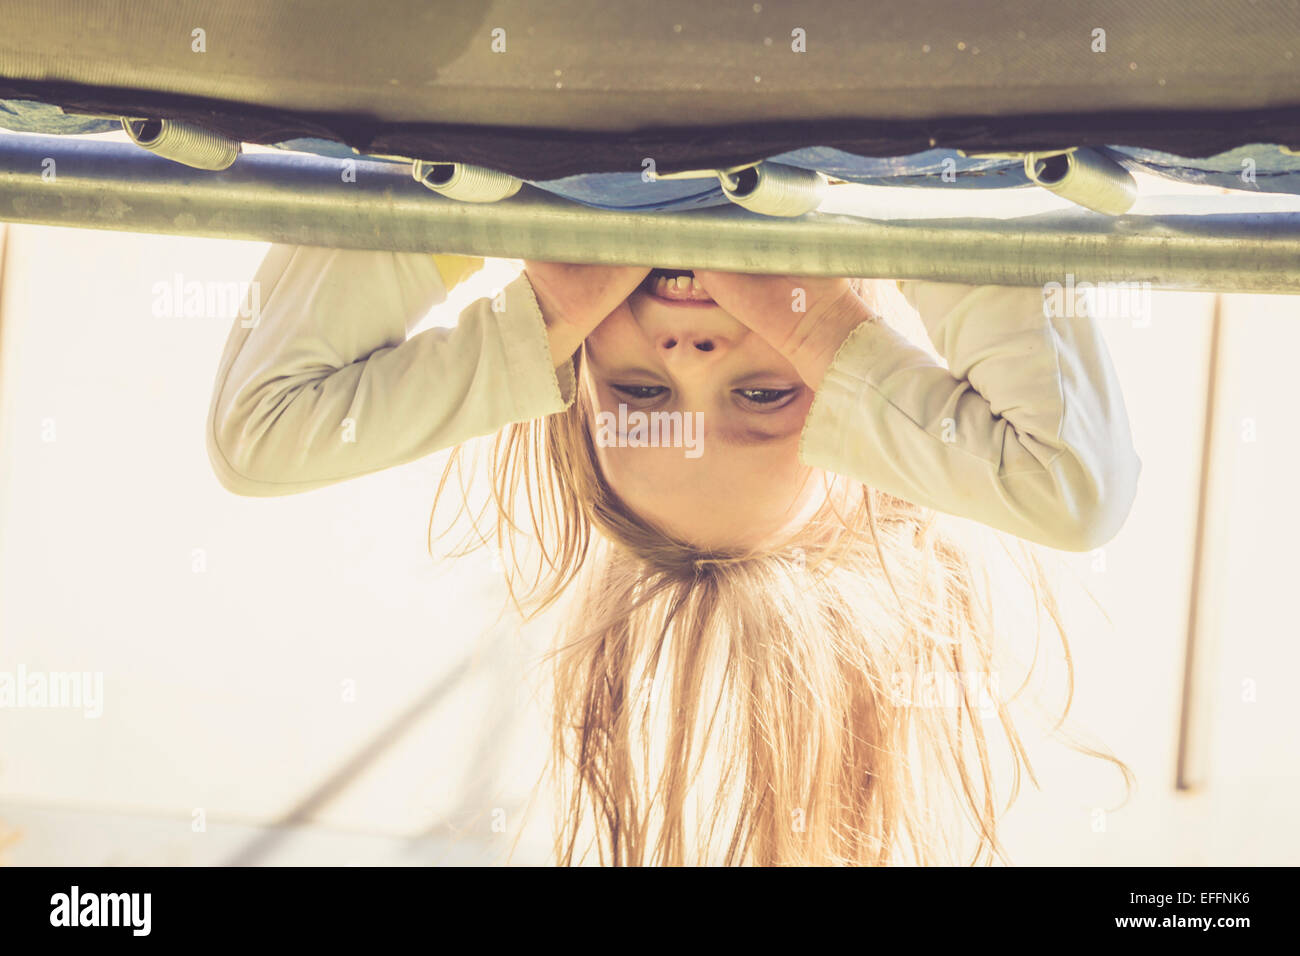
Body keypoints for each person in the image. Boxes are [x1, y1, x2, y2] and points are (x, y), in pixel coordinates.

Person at [207, 246, 1140, 865]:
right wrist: (817, 313)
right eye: (767, 394)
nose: (693, 353)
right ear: (870, 363)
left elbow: (259, 438)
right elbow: (1075, 491)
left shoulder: (517, 177)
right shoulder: (893, 179)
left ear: (569, 362)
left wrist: (557, 290)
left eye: (644, 389)